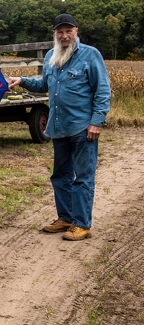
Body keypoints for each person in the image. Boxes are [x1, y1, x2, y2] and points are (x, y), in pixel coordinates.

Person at [7, 14, 111, 241]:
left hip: (83, 128)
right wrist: (22, 80)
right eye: (59, 32)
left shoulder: (90, 55)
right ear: (55, 34)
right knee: (60, 175)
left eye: (68, 31)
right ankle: (65, 218)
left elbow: (102, 91)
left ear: (76, 31)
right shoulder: (51, 56)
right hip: (59, 126)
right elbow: (45, 85)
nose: (64, 36)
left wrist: (96, 122)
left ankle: (82, 224)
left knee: (82, 177)